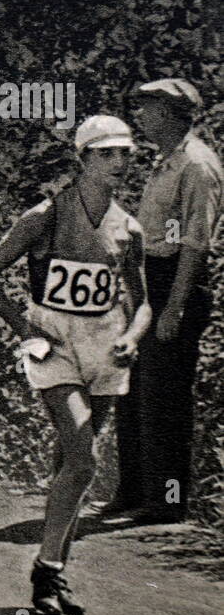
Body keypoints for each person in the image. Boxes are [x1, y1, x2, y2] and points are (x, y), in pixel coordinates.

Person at [0, 115, 151, 615]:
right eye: (106, 153)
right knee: (84, 455)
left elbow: (142, 303)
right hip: (55, 343)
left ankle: (53, 576)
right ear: (83, 157)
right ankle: (47, 571)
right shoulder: (46, 215)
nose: (119, 163)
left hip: (106, 346)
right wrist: (25, 331)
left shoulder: (129, 229)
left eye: (126, 154)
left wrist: (133, 337)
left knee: (71, 466)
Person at [112, 79, 223, 523]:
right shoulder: (166, 161)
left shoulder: (197, 166)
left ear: (174, 113)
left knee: (165, 400)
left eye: (150, 108)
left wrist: (172, 307)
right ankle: (134, 491)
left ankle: (169, 500)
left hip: (176, 284)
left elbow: (196, 243)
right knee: (133, 392)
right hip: (151, 282)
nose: (141, 116)